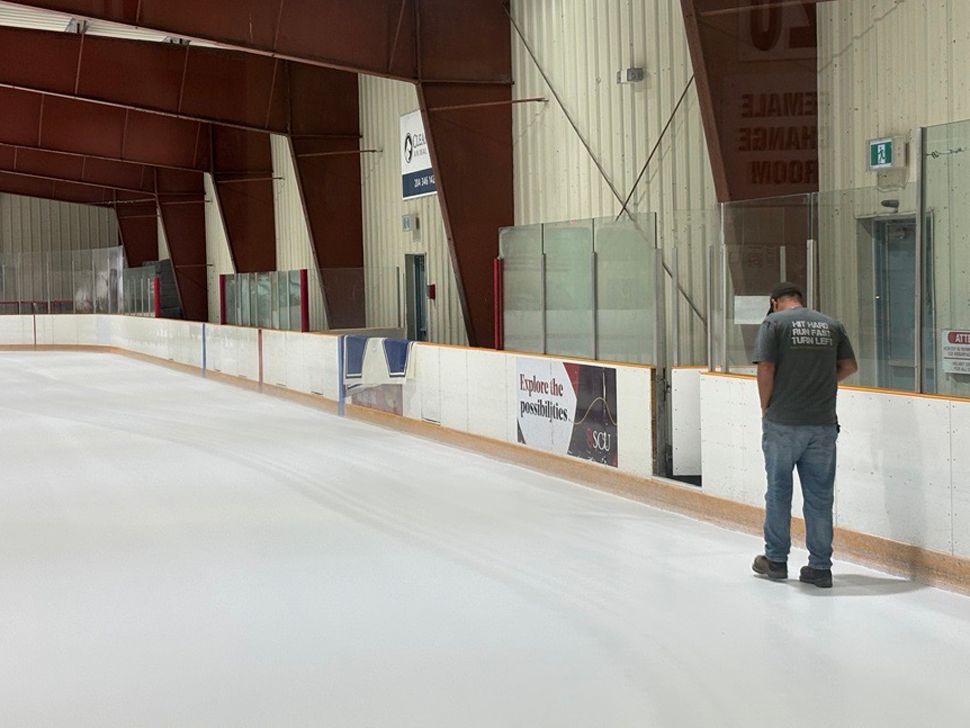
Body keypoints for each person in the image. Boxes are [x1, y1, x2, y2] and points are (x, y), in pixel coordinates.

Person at [750, 282, 858, 588]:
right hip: (823, 424)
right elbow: (849, 366)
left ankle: (776, 561)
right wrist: (823, 382)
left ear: (774, 302)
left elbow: (766, 368)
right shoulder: (831, 325)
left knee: (779, 492)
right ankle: (820, 568)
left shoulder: (773, 323)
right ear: (801, 301)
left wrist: (766, 407)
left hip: (784, 422)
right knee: (820, 498)